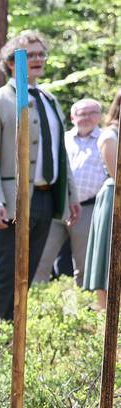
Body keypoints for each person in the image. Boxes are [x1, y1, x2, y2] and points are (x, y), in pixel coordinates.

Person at [0, 31, 81, 321]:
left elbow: (60, 152)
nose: (37, 59)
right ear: (11, 62)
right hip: (11, 203)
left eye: (41, 54)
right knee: (4, 275)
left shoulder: (50, 100)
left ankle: (13, 341)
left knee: (27, 276)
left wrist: (71, 195)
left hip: (46, 200)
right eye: (29, 54)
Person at [35, 98, 110, 286]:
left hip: (88, 209)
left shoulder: (106, 140)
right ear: (72, 117)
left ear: (99, 116)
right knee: (40, 258)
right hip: (57, 206)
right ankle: (35, 304)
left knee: (86, 263)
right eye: (81, 113)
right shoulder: (62, 139)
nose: (86, 117)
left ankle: (87, 307)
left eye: (92, 113)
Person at [82, 91, 120, 311]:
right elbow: (117, 174)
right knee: (108, 256)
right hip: (115, 197)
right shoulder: (110, 136)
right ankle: (104, 310)